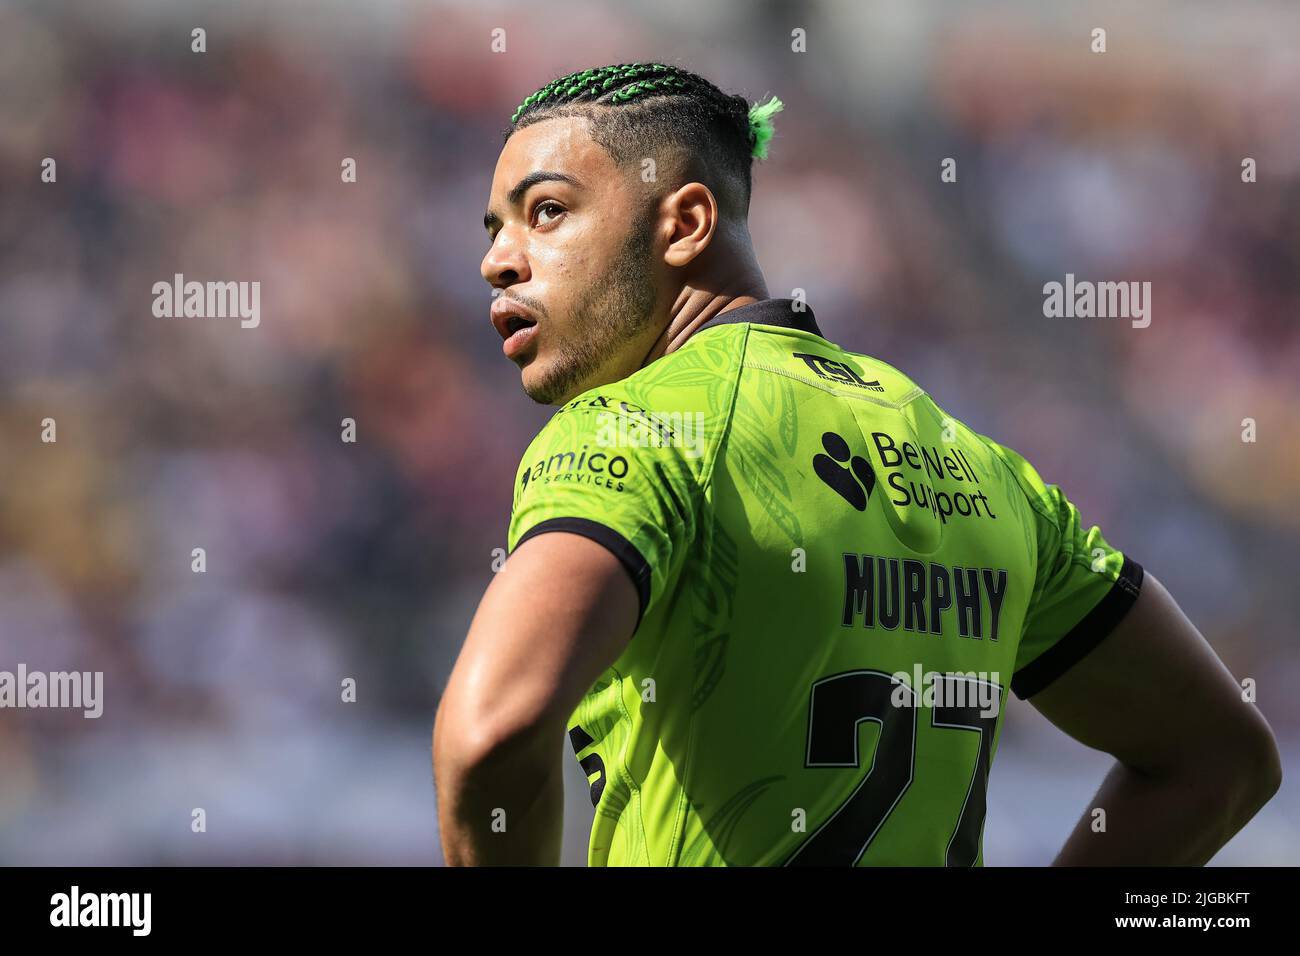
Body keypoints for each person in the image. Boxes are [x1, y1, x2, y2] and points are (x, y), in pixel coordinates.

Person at [433, 62, 1281, 866]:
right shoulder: (983, 468)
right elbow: (1220, 760)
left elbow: (491, 733)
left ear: (685, 224)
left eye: (545, 211)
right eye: (495, 229)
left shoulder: (631, 431)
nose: (498, 260)